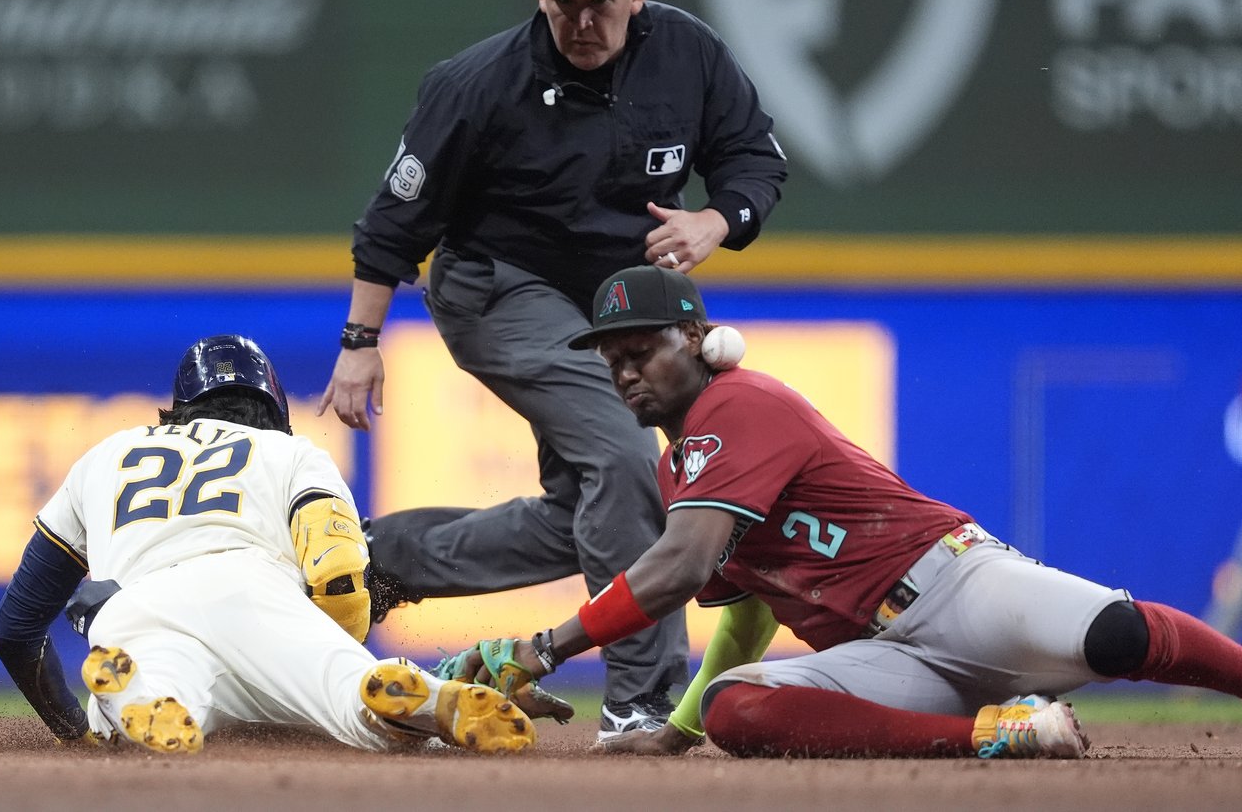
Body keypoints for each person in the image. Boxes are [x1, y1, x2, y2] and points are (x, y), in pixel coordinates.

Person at [316, 0, 788, 740]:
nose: (582, 18)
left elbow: (755, 156)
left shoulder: (687, 54)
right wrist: (360, 342)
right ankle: (640, 698)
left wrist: (716, 222)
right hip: (498, 286)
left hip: (615, 302)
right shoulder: (477, 83)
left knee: (595, 508)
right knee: (621, 457)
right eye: (565, 0)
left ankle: (380, 562)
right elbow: (394, 219)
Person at [453, 265, 1242, 758]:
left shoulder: (740, 401)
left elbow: (681, 567)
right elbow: (745, 620)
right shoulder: (675, 466)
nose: (627, 372)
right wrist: (680, 731)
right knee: (737, 709)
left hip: (955, 589)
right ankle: (995, 732)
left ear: (694, 335)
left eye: (643, 349)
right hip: (887, 657)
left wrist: (544, 646)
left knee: (1119, 634)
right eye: (614, 359)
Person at [0, 334, 536, 755]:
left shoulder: (107, 455)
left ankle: (132, 698)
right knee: (343, 694)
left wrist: (69, 731)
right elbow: (338, 571)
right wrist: (331, 642)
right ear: (274, 405)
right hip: (254, 592)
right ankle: (423, 699)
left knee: (158, 699)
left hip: (136, 607)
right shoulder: (288, 453)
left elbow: (15, 630)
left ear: (180, 405)